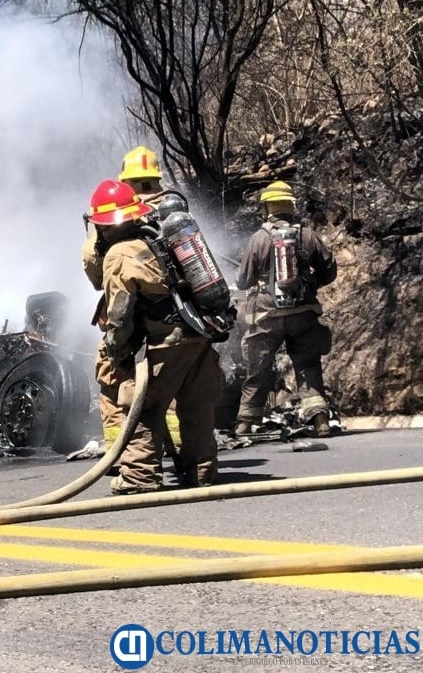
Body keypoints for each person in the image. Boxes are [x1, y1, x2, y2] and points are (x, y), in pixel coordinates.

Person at [85, 179, 221, 494]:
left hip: (164, 343)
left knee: (142, 406)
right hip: (198, 335)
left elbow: (119, 314)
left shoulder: (119, 254)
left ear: (104, 226)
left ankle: (139, 478)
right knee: (196, 406)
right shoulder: (158, 236)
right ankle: (201, 472)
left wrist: (117, 352)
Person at [81, 146, 179, 456]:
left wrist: (117, 345)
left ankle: (122, 455)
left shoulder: (117, 215)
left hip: (136, 322)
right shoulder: (175, 215)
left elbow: (98, 276)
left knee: (112, 379)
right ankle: (179, 449)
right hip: (180, 323)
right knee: (174, 385)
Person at [234, 180, 338, 438]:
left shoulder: (258, 239)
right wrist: (311, 283)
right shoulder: (308, 235)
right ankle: (320, 421)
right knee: (308, 366)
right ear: (291, 205)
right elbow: (330, 270)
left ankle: (244, 424)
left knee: (257, 368)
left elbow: (243, 281)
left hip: (267, 316)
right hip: (303, 314)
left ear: (266, 207)